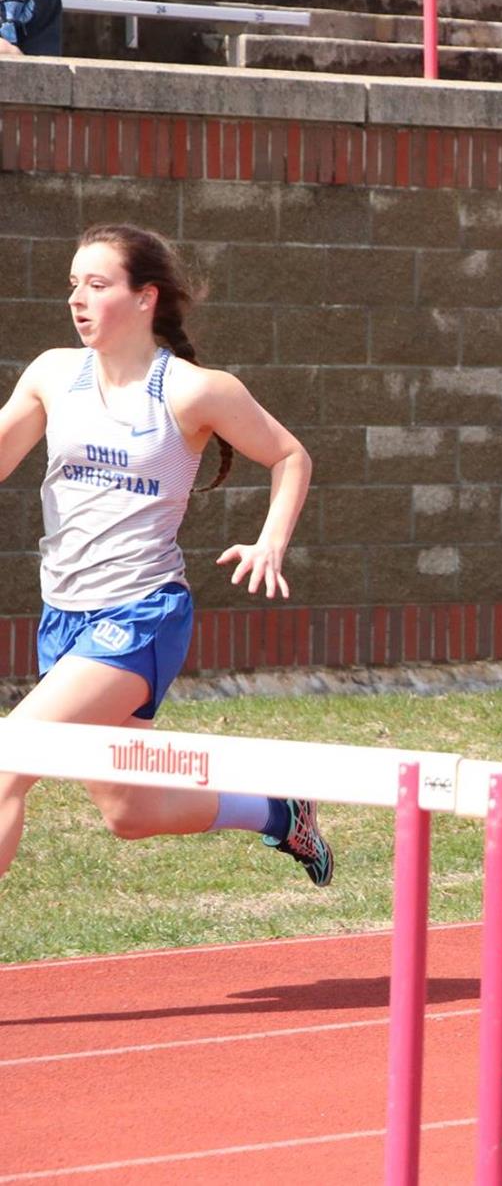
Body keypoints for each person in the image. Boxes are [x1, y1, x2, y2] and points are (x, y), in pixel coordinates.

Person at [0, 224, 327, 886]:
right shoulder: (53, 375)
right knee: (130, 808)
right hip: (64, 617)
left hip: (142, 615)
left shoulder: (192, 390)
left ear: (145, 297)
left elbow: (290, 455)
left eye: (97, 284)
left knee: (10, 757)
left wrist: (271, 539)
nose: (77, 299)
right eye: (73, 285)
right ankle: (276, 812)